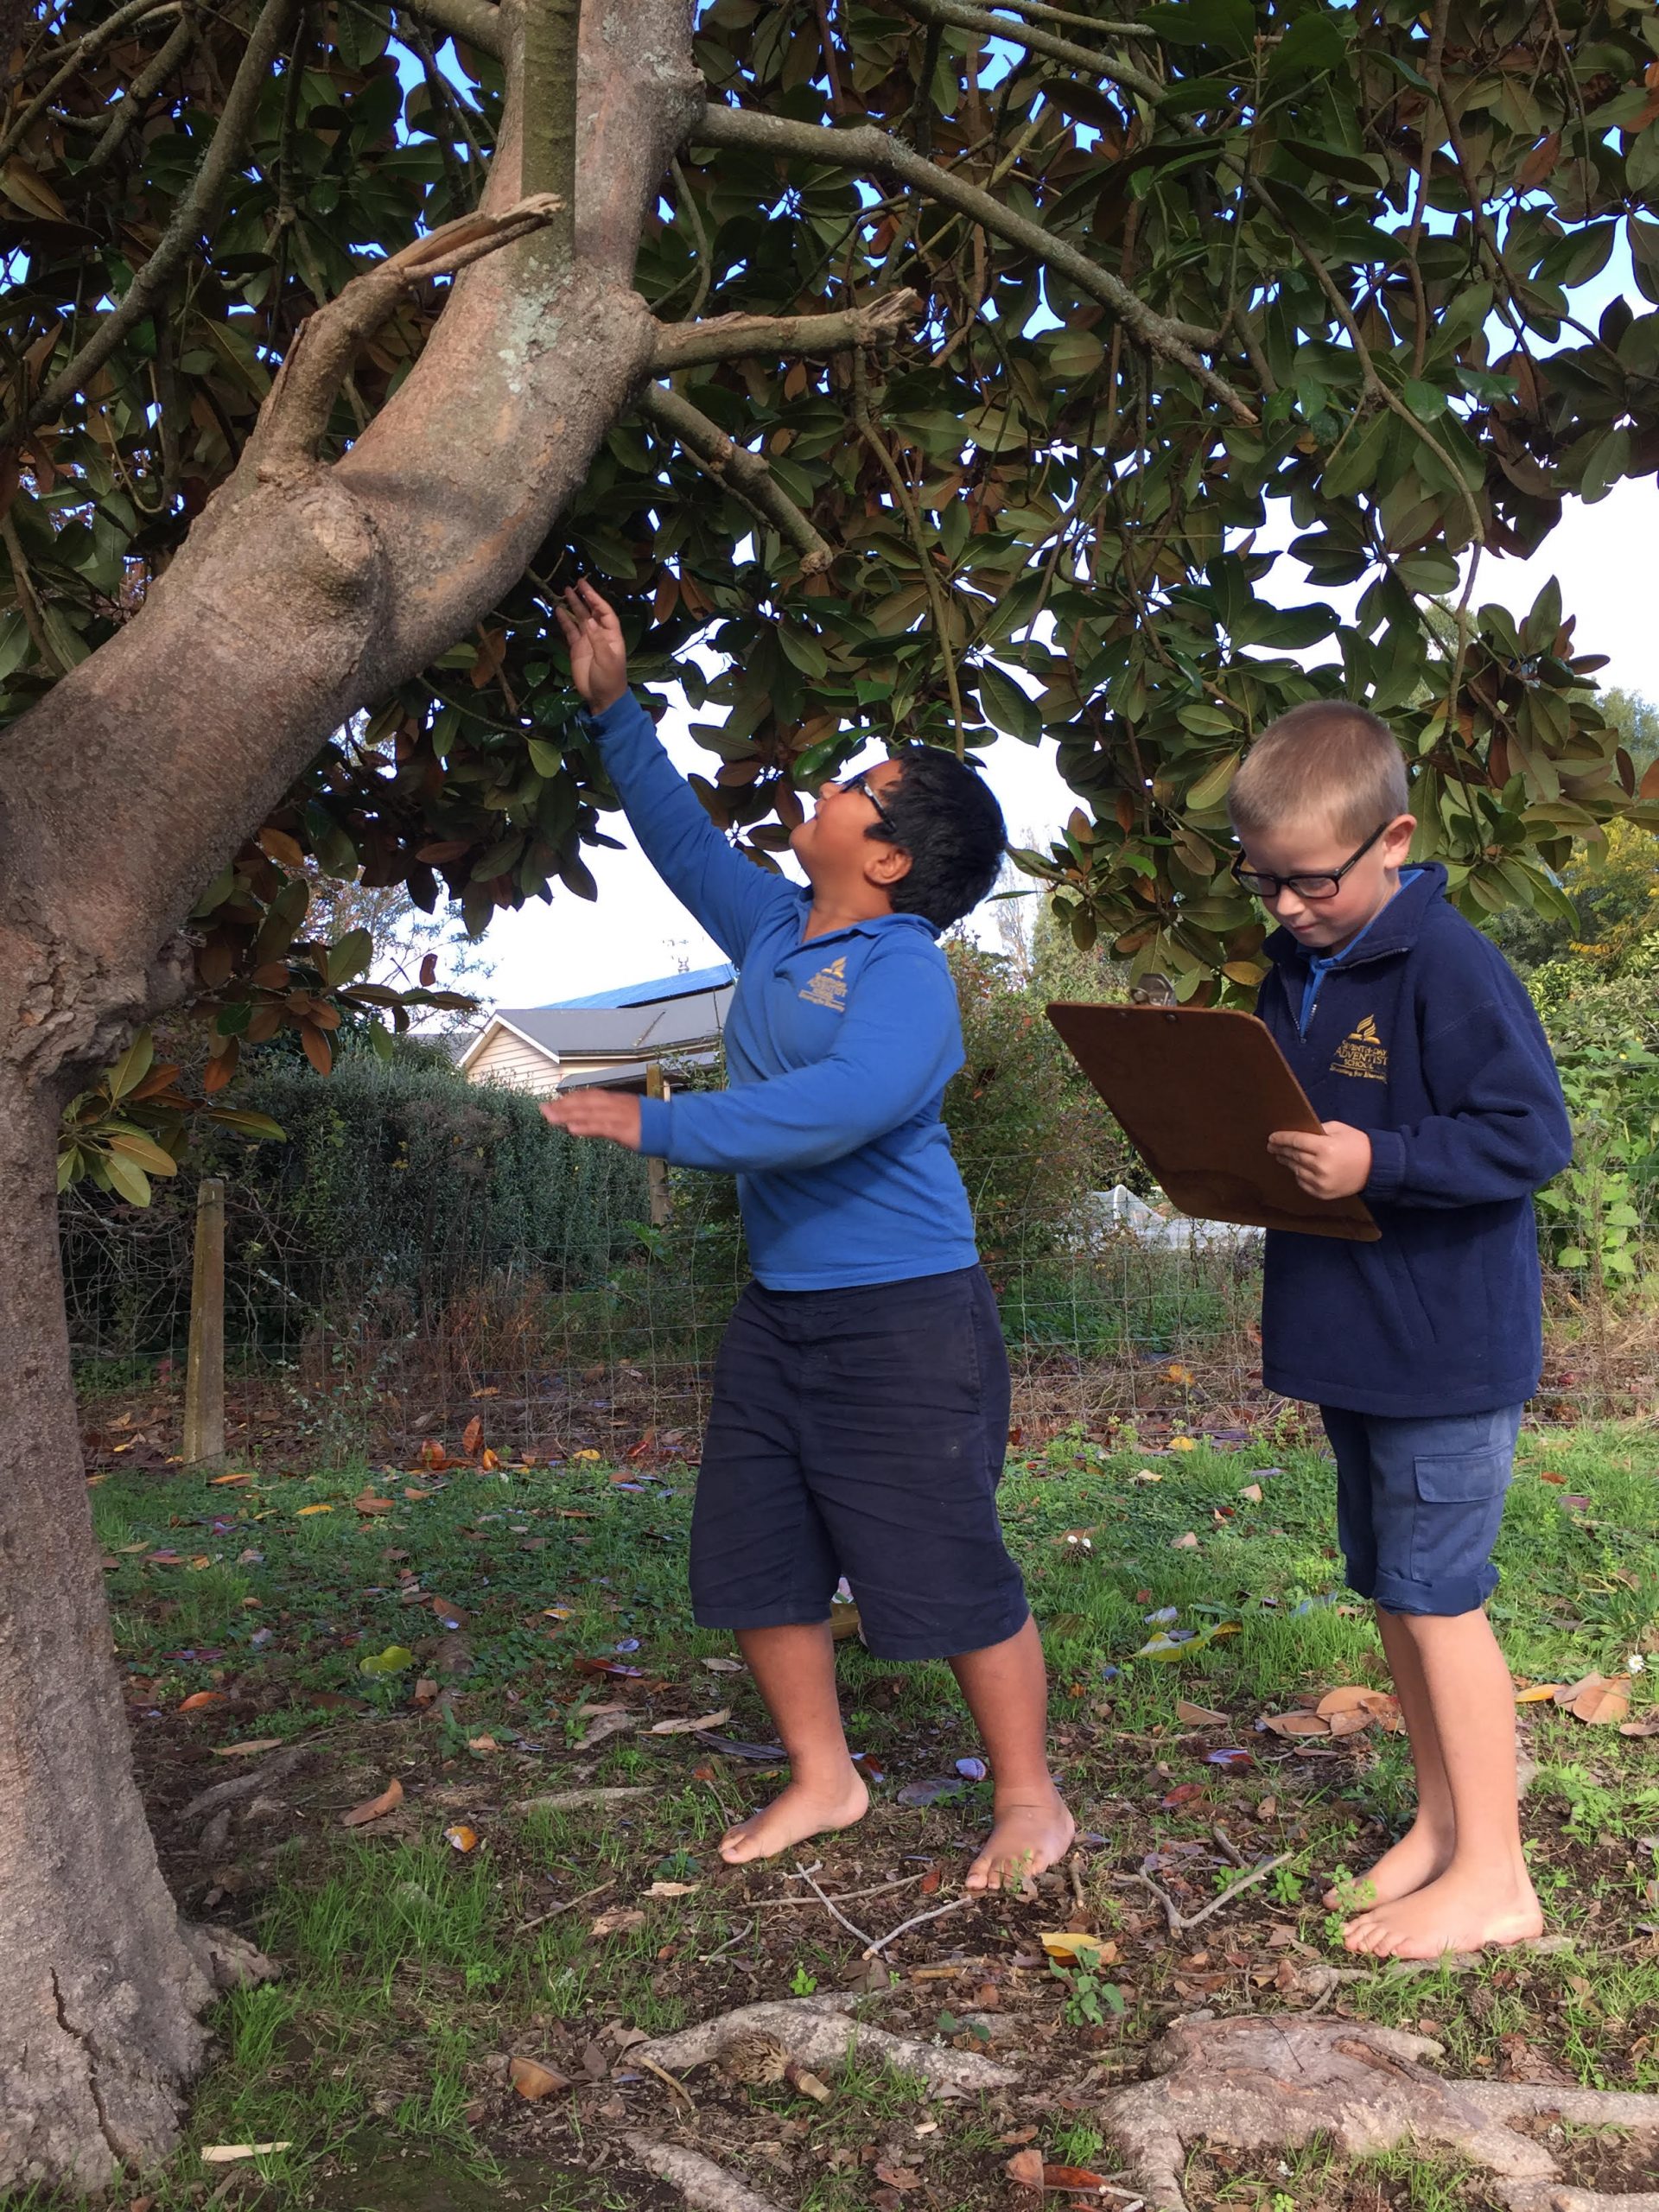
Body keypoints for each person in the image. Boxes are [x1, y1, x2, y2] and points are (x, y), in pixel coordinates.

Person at [540, 581, 1074, 1891]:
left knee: (942, 1557)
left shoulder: (905, 973)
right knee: (756, 1549)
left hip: (907, 1316)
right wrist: (614, 708)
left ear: (887, 858)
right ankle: (826, 1777)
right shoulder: (776, 928)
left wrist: (658, 1124)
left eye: (858, 787)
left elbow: (840, 1108)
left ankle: (1030, 1798)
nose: (829, 788)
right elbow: (678, 839)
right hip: (783, 1310)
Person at [1229, 701, 1573, 1961]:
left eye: (1311, 881)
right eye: (1262, 880)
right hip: (1350, 1334)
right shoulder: (1298, 963)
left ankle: (1498, 1877)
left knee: (1440, 1602)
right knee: (1392, 1589)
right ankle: (1441, 1826)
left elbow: (1530, 1135)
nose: (1286, 907)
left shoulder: (1450, 966)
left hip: (1442, 1347)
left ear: (1394, 842)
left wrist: (1383, 1158)